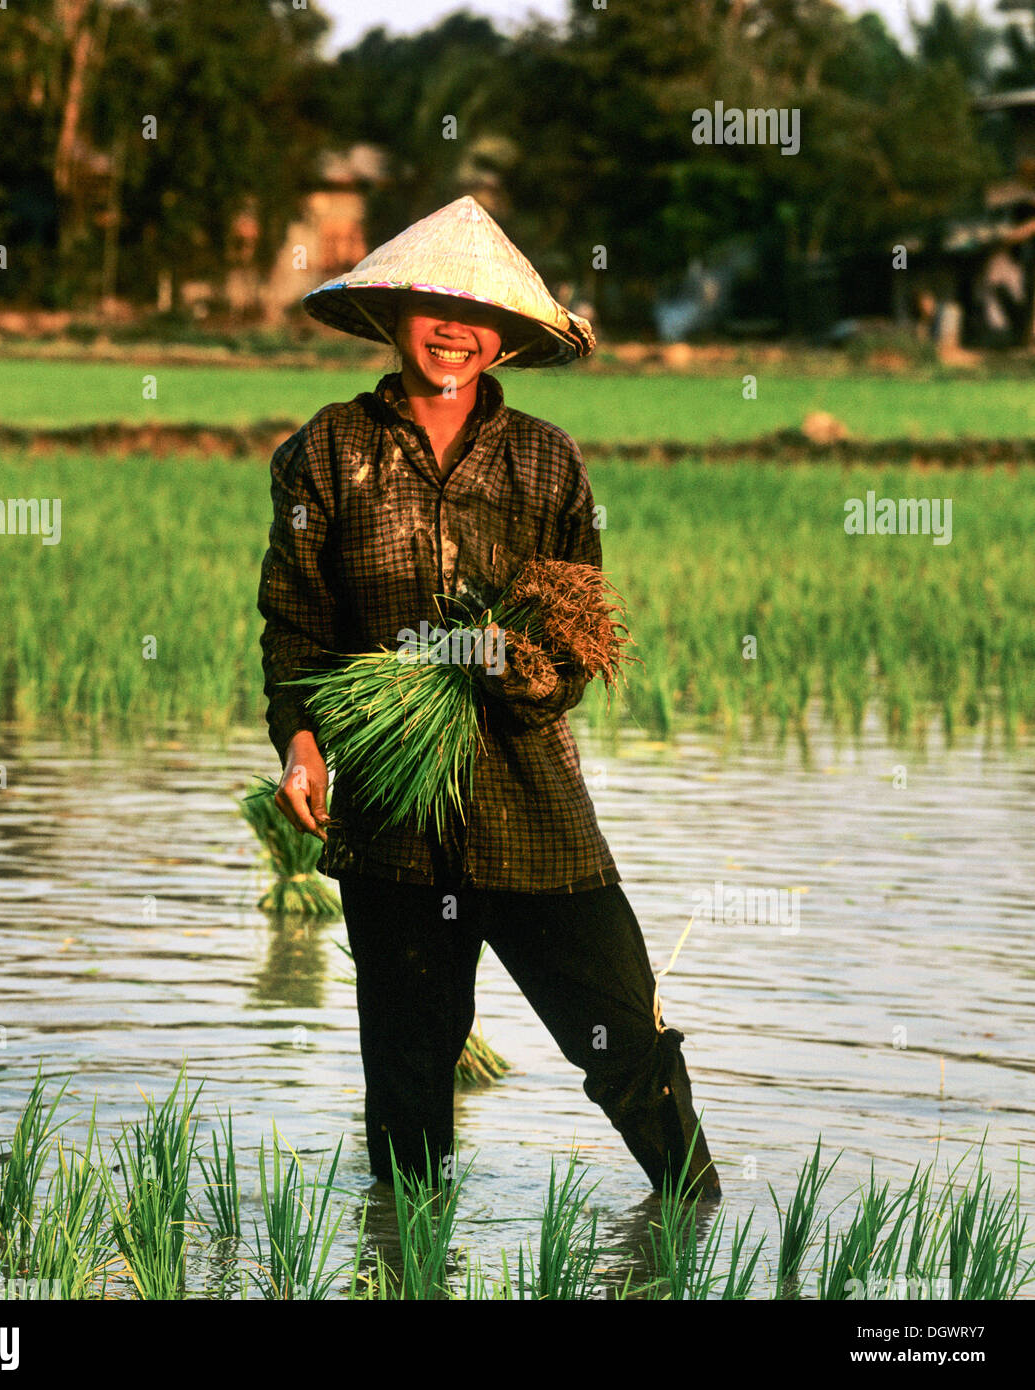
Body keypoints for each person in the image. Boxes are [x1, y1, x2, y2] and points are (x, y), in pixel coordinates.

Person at [257, 195, 720, 1200]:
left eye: (477, 308)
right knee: (410, 1079)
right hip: (391, 820)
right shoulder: (330, 453)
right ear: (392, 314)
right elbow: (296, 630)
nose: (454, 325)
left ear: (506, 334)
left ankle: (696, 1233)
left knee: (625, 1042)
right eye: (432, 302)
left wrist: (513, 663)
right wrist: (301, 745)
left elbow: (576, 648)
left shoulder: (549, 462)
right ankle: (409, 1259)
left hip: (534, 816)